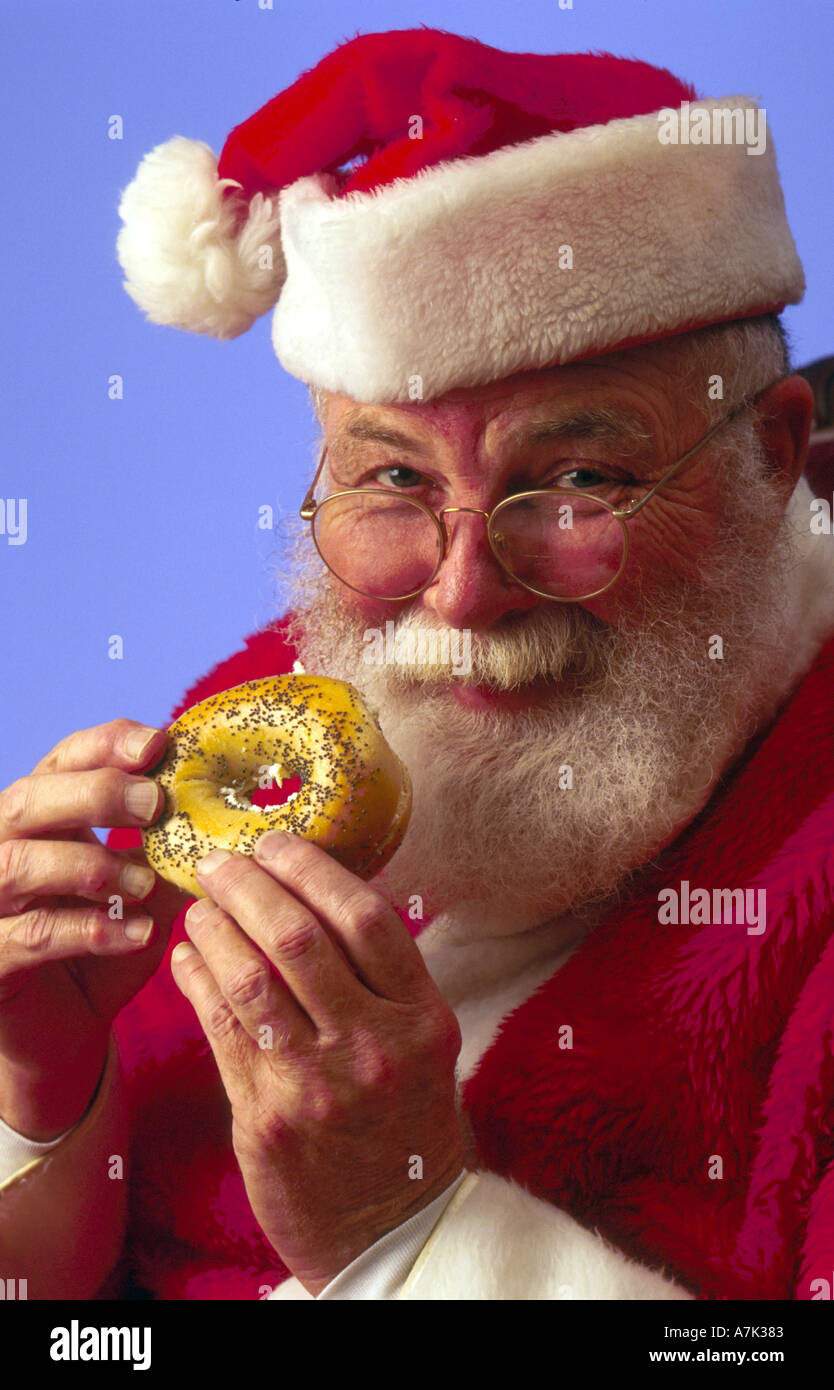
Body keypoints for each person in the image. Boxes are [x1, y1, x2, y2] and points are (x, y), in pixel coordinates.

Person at [1, 27, 832, 1302]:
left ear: (775, 455)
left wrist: (411, 1241)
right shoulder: (263, 718)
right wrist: (46, 1103)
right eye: (393, 476)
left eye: (575, 478)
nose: (461, 593)